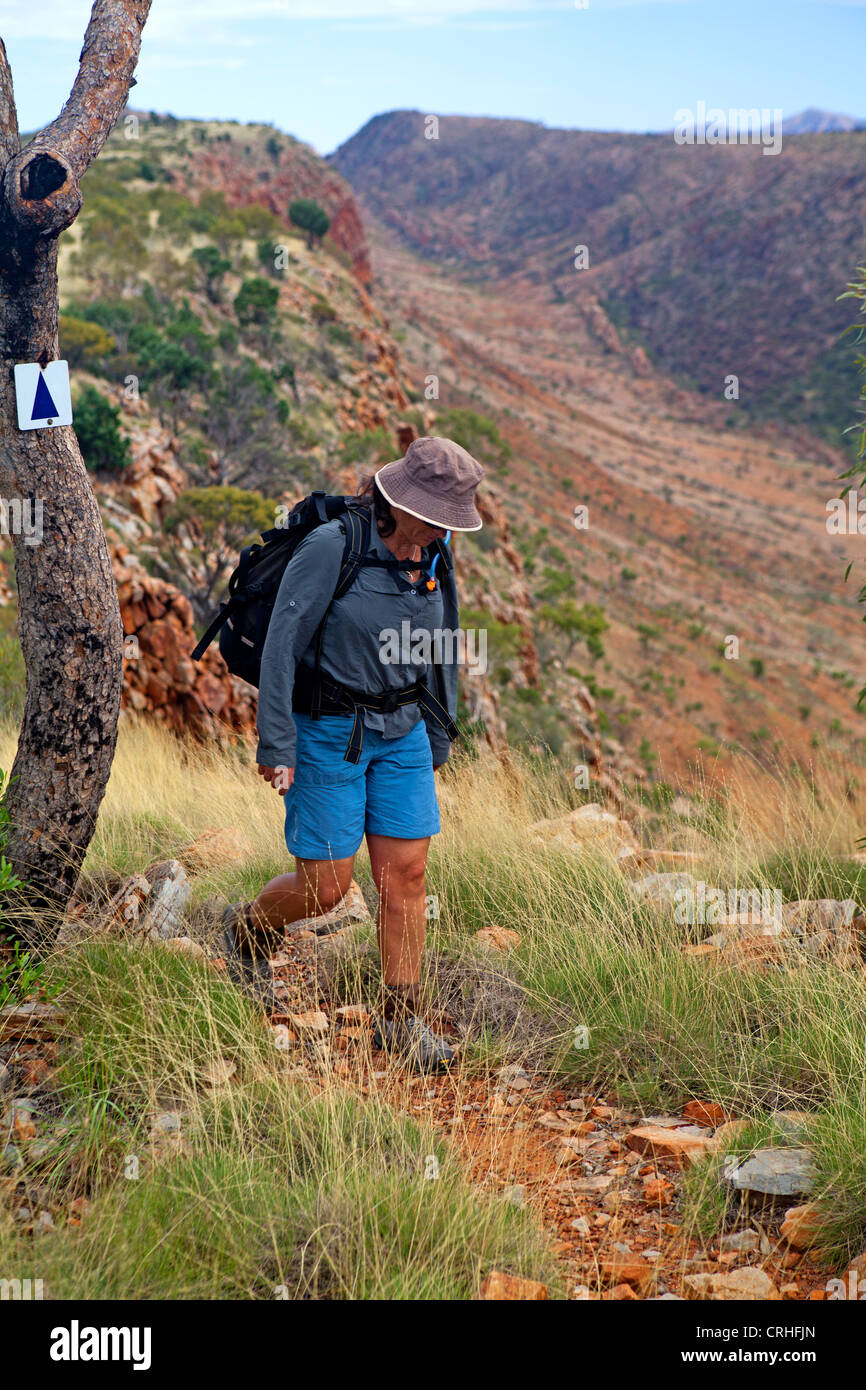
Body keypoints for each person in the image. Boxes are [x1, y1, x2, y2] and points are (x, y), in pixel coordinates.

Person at [221, 436, 484, 1072]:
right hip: (327, 731)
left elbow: (443, 644)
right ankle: (247, 930)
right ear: (399, 502)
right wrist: (276, 741)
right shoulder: (332, 547)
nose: (441, 532)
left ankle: (398, 1020)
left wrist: (440, 733)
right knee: (326, 889)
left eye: (451, 521)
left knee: (407, 878)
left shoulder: (434, 556)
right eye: (434, 517)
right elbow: (283, 645)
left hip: (404, 732)